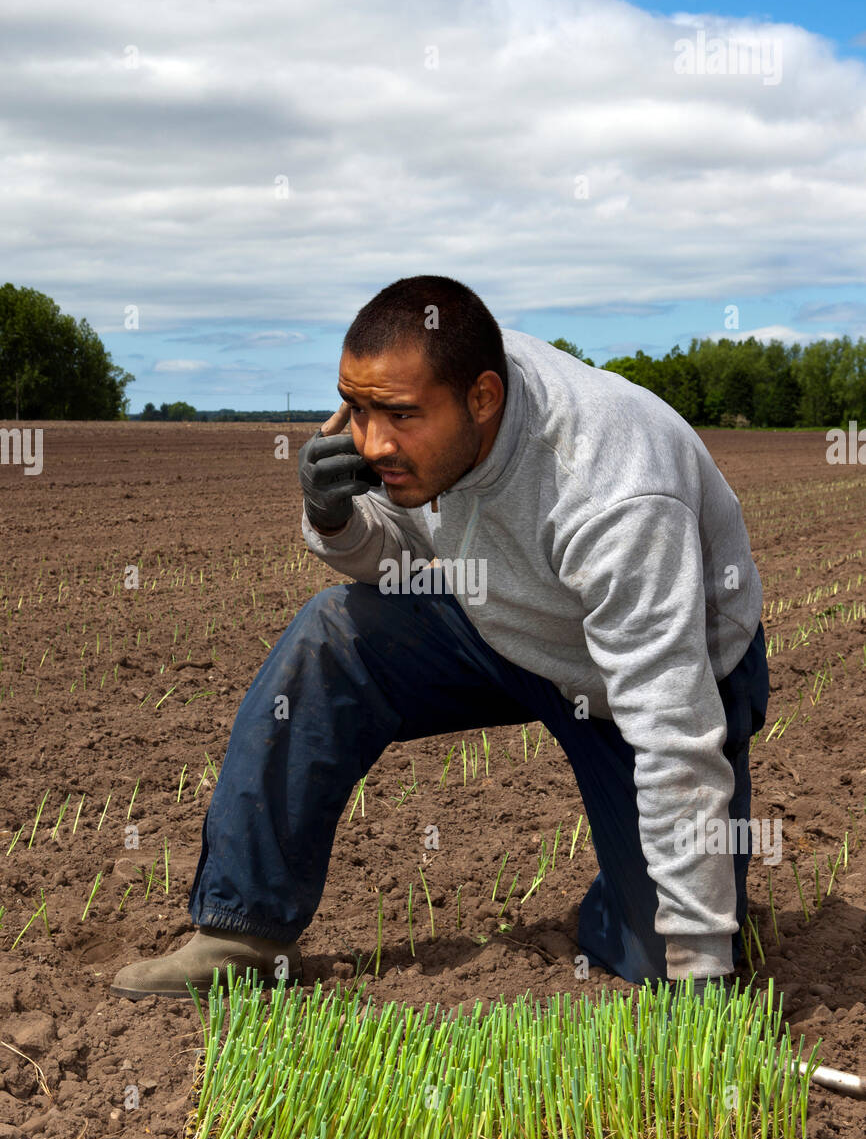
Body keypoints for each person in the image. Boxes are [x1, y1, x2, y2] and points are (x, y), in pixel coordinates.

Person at [111, 275, 769, 1002]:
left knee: (661, 954)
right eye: (354, 409)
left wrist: (700, 964)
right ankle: (242, 932)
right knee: (333, 635)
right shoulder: (424, 412)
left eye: (396, 416)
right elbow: (393, 566)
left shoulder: (614, 486)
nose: (370, 440)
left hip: (637, 682)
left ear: (483, 398)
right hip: (501, 623)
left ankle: (641, 891)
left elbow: (673, 731)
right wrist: (336, 521)